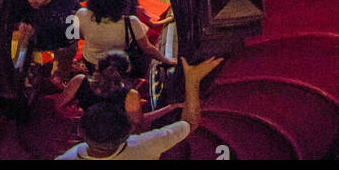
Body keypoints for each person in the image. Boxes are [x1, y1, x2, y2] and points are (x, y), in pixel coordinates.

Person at [55, 55, 222, 160]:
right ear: (127, 132)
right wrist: (192, 81)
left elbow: (59, 105)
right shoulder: (144, 144)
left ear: (80, 131)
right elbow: (190, 123)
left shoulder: (68, 156)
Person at [76, 0, 175, 72]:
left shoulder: (81, 13)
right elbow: (148, 48)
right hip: (117, 65)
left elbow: (79, 36)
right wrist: (166, 60)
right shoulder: (131, 21)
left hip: (90, 61)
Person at [13, 0, 81, 85]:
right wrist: (22, 25)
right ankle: (20, 74)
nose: (33, 0)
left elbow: (75, 22)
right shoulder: (24, 1)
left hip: (62, 36)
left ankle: (61, 74)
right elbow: (19, 19)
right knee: (20, 58)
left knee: (68, 54)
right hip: (36, 35)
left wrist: (69, 43)